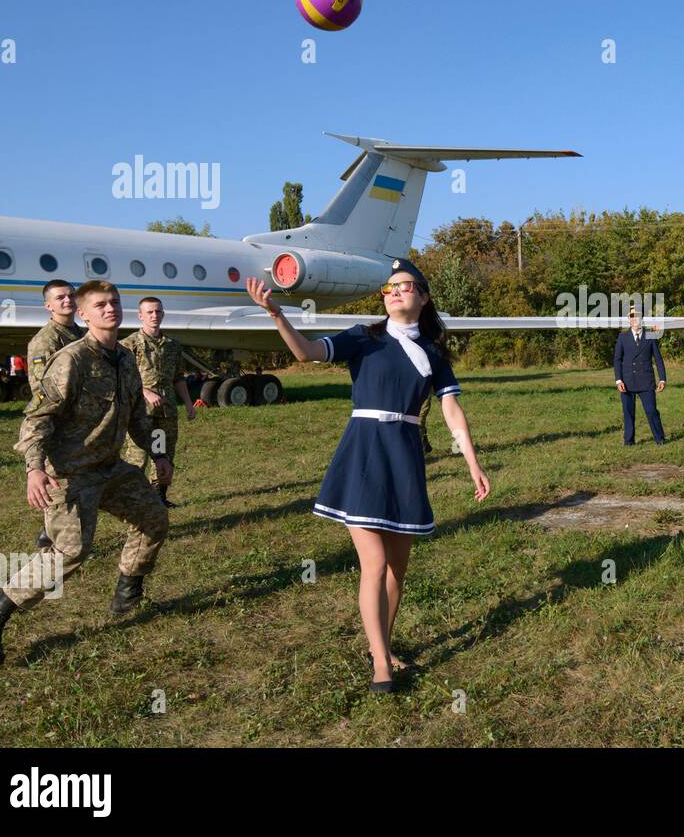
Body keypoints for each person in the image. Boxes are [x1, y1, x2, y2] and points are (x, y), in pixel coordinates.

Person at [246, 260, 490, 693]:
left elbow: (451, 408)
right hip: (363, 454)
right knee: (374, 564)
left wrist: (471, 461)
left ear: (424, 296)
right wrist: (276, 315)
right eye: (389, 288)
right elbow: (306, 353)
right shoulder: (365, 337)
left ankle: (385, 643)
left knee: (398, 567)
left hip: (405, 456)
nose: (395, 292)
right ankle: (381, 662)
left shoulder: (434, 351)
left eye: (405, 286)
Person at [0, 281, 171, 666]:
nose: (110, 309)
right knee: (69, 553)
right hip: (71, 474)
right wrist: (34, 469)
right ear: (84, 314)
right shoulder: (71, 360)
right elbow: (38, 418)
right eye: (101, 305)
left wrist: (158, 453)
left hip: (111, 467)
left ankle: (127, 594)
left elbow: (139, 418)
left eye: (115, 303)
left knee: (155, 518)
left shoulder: (125, 359)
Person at [120, 297, 196, 507]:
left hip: (165, 413)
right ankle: (131, 499)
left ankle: (158, 497)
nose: (154, 316)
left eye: (158, 311)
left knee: (162, 452)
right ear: (140, 316)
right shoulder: (129, 345)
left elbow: (178, 377)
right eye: (150, 312)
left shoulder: (171, 345)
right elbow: (122, 378)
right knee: (137, 456)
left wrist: (189, 404)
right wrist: (145, 391)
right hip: (140, 413)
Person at [27, 280, 85, 549]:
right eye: (60, 297)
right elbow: (44, 392)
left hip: (84, 422)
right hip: (60, 425)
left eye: (71, 295)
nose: (67, 300)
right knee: (60, 485)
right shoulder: (45, 341)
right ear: (48, 305)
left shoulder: (81, 334)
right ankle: (48, 540)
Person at [613, 308, 666, 445]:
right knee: (628, 412)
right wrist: (618, 380)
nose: (634, 319)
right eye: (631, 317)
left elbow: (658, 359)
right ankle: (629, 441)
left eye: (636, 317)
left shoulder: (650, 336)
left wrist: (662, 379)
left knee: (651, 410)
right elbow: (617, 360)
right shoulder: (623, 337)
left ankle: (660, 439)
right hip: (627, 381)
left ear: (641, 319)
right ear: (629, 320)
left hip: (646, 381)